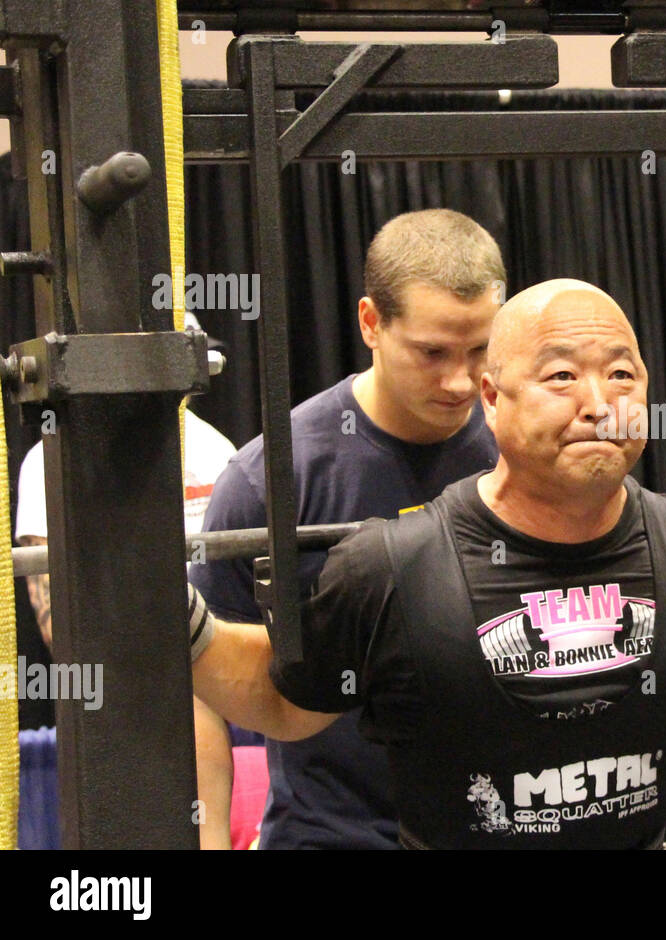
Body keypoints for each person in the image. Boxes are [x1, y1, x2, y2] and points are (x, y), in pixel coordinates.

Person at [186, 277, 666, 848]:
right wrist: (179, 627)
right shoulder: (392, 564)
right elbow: (284, 698)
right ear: (492, 401)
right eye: (561, 377)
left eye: (622, 375)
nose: (600, 404)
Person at [188, 209, 504, 849]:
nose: (460, 381)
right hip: (334, 837)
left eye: (481, 351)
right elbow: (200, 688)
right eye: (432, 352)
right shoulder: (272, 478)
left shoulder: (525, 451)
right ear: (370, 323)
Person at [15, 312, 238, 849]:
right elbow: (58, 625)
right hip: (108, 688)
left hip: (203, 679)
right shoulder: (51, 460)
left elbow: (241, 604)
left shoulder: (221, 454)